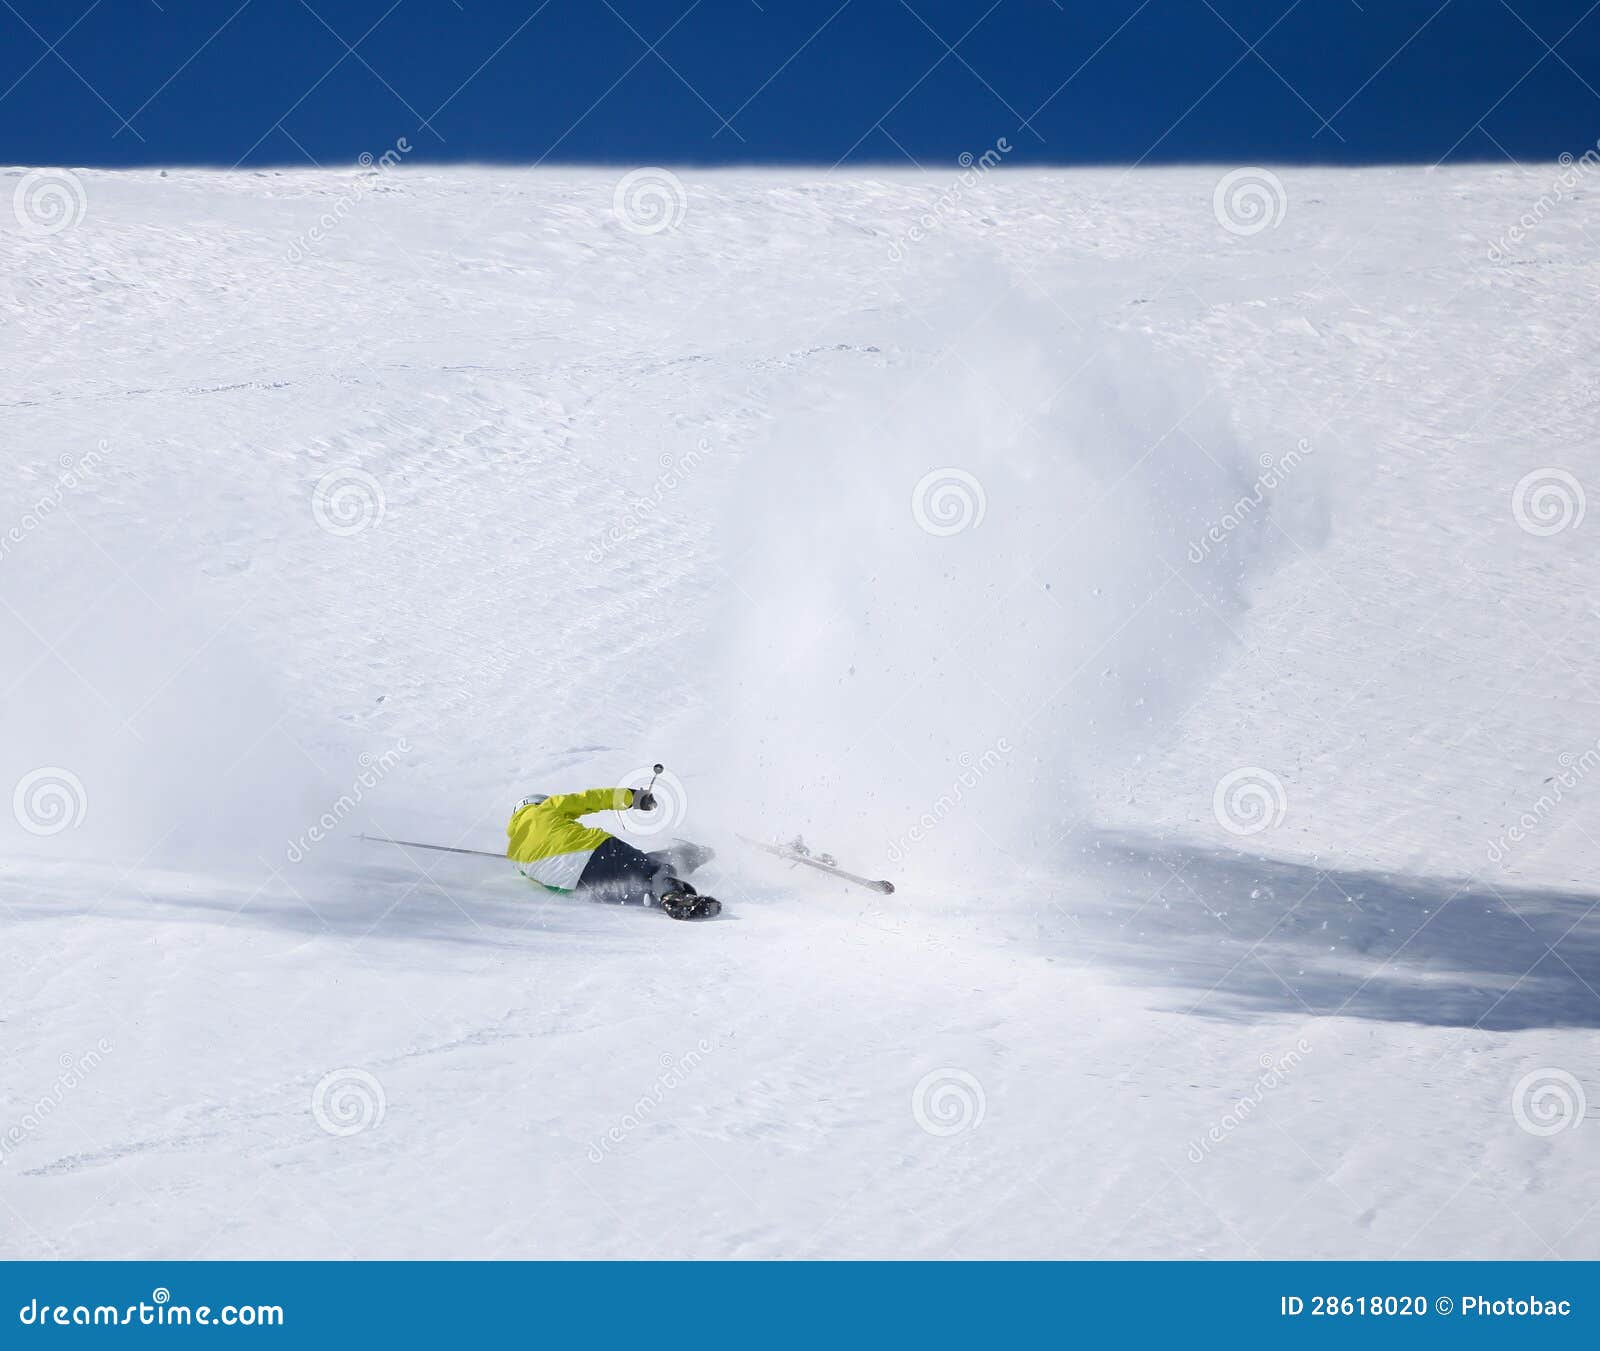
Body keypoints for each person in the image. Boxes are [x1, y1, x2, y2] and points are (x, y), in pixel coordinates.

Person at [506, 786, 719, 920]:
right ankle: (674, 897)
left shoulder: (513, 851)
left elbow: (536, 875)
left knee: (638, 868)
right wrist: (633, 797)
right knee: (656, 869)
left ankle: (657, 888)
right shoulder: (546, 807)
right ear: (537, 802)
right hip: (592, 851)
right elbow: (591, 799)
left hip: (574, 883)